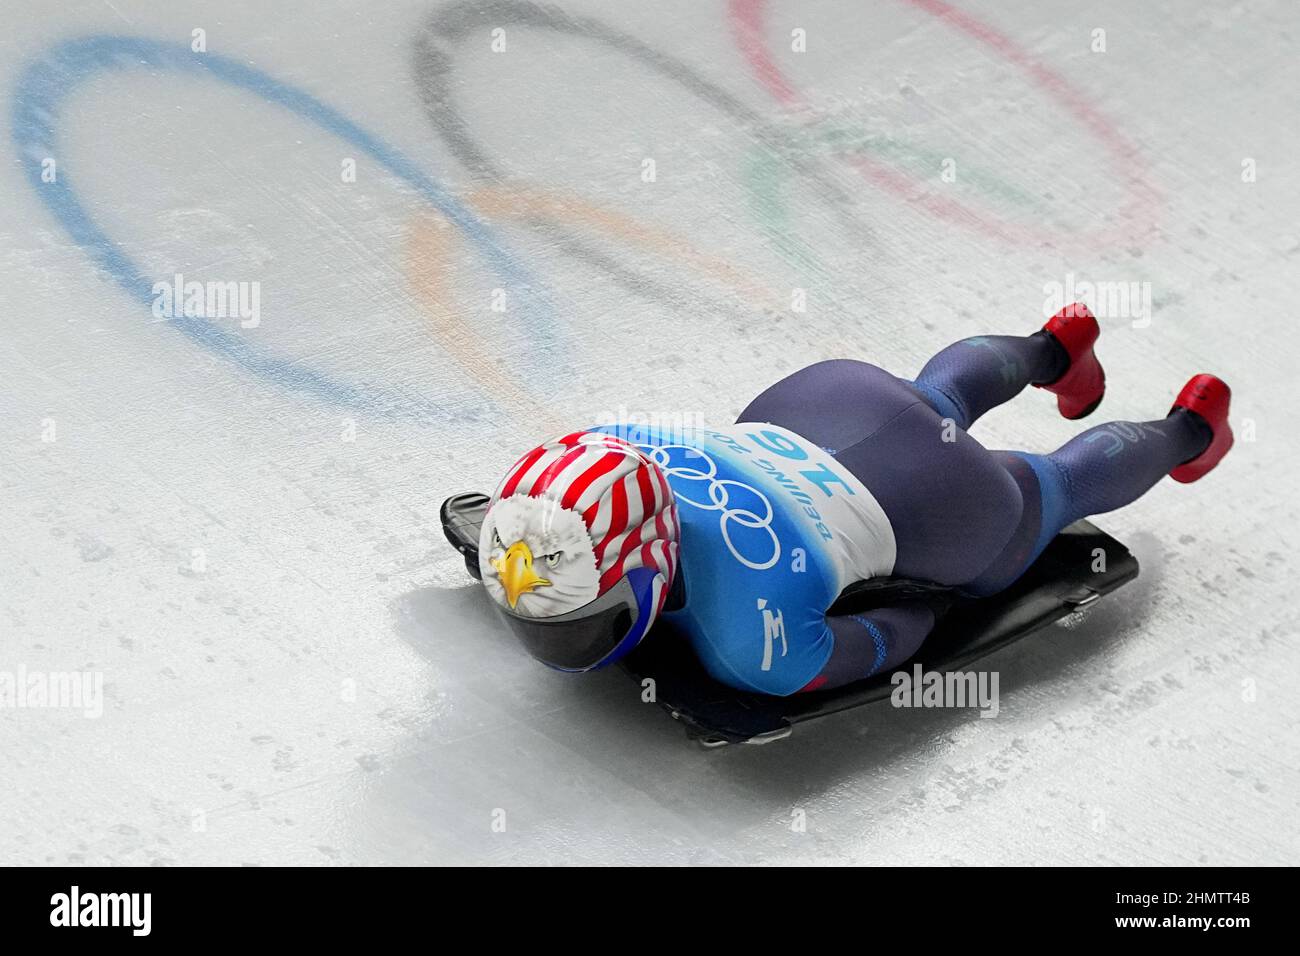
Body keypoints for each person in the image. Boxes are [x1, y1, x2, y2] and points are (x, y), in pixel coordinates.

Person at [476, 304, 1233, 695]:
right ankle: (1052, 347)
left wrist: (930, 602)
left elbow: (895, 637)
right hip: (825, 401)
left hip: (933, 500)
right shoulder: (607, 439)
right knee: (928, 395)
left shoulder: (753, 646)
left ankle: (1193, 428)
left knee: (1056, 488)